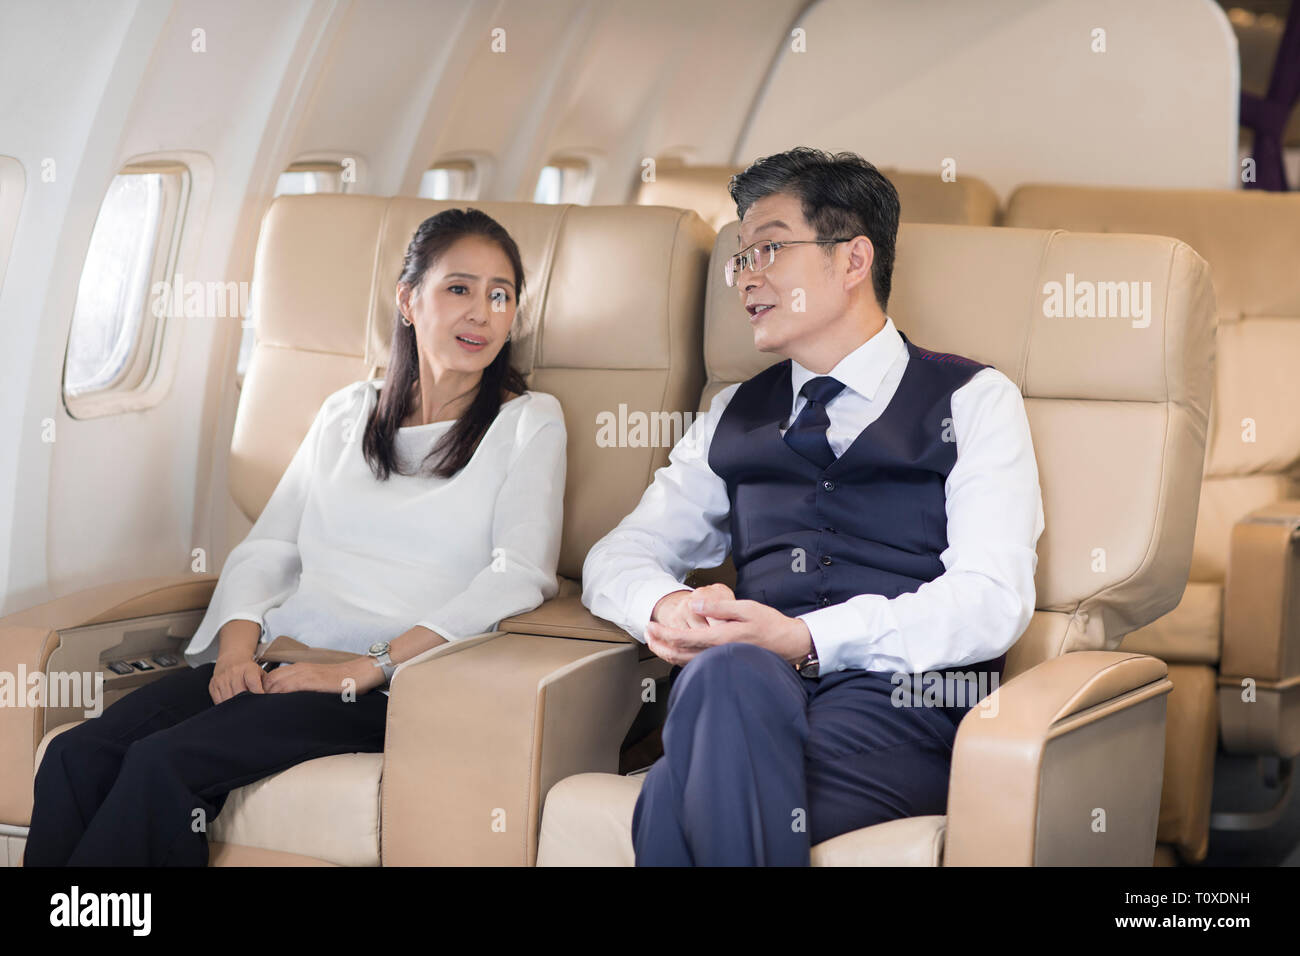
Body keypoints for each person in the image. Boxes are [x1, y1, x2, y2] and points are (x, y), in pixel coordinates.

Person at [25, 208, 567, 866]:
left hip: (388, 685)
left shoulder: (529, 422)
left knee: (161, 765)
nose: (482, 312)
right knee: (77, 756)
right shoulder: (346, 412)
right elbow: (270, 548)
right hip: (283, 660)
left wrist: (371, 665)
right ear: (407, 300)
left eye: (500, 295)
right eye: (459, 288)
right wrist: (235, 654)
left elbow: (518, 573)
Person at [582, 147, 1045, 865]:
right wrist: (666, 607)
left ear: (853, 259)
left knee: (677, 792)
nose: (746, 277)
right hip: (746, 693)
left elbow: (992, 600)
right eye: (740, 258)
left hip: (903, 707)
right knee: (724, 672)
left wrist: (806, 637)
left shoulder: (975, 400)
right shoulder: (733, 412)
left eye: (769, 248)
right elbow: (619, 554)